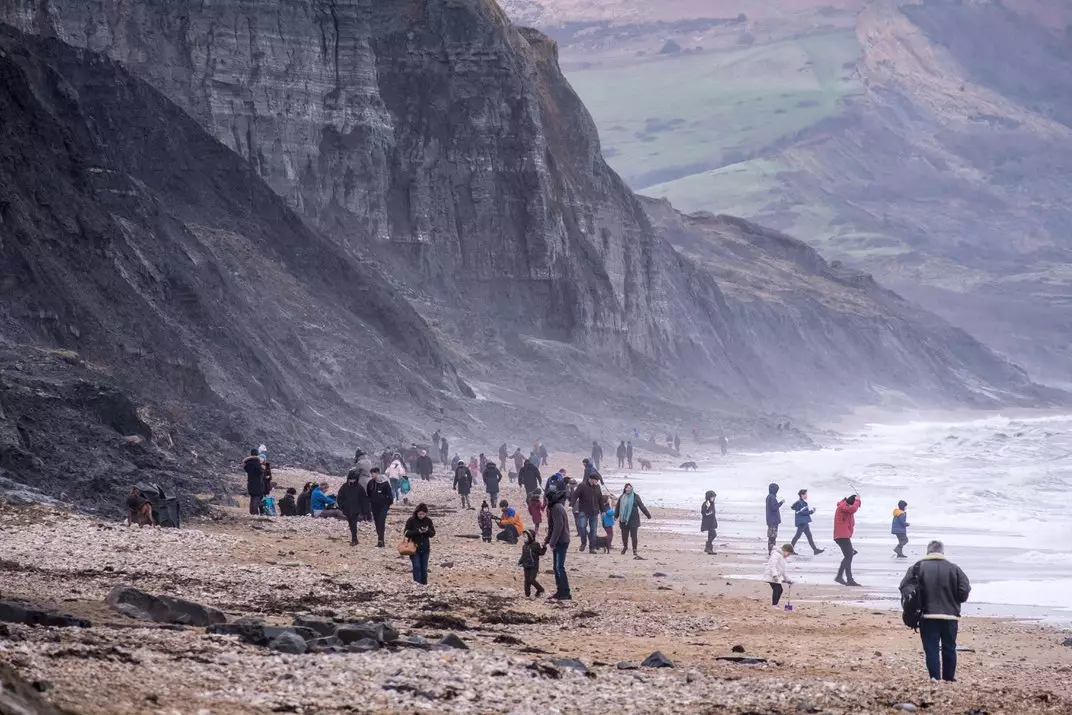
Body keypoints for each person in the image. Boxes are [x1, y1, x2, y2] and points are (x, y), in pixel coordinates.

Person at [899, 541, 971, 682]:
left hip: (927, 615)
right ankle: (949, 678)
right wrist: (955, 600)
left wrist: (914, 605)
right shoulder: (954, 569)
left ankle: (935, 678)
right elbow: (964, 591)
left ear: (928, 552)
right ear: (942, 552)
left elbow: (904, 587)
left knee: (931, 648)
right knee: (949, 647)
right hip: (950, 616)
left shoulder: (917, 567)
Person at [543, 482, 572, 600]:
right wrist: (547, 540)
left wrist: (552, 542)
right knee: (556, 567)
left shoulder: (556, 508)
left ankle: (565, 592)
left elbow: (558, 526)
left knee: (560, 567)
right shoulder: (556, 507)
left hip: (562, 541)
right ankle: (560, 591)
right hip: (559, 540)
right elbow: (552, 527)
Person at [615, 483, 652, 559]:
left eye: (629, 488)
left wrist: (648, 515)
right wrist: (616, 516)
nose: (628, 489)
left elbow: (641, 506)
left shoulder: (636, 497)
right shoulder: (622, 497)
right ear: (625, 489)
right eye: (626, 488)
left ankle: (634, 550)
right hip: (624, 520)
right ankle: (625, 547)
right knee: (624, 536)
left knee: (633, 536)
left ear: (631, 489)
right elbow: (618, 507)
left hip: (634, 519)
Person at [571, 471, 604, 553]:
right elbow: (575, 495)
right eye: (595, 480)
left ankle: (592, 548)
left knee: (593, 530)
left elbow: (600, 499)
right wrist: (571, 505)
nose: (596, 482)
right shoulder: (582, 485)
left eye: (597, 481)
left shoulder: (598, 487)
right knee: (581, 527)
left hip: (594, 512)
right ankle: (583, 542)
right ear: (590, 479)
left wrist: (602, 510)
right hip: (583, 511)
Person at [403, 504, 436, 585]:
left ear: (425, 513)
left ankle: (424, 584)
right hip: (414, 548)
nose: (421, 516)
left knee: (424, 568)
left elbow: (433, 534)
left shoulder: (428, 521)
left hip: (425, 548)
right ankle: (417, 583)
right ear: (416, 513)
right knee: (416, 566)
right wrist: (418, 531)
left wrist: (427, 531)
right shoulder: (411, 520)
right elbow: (406, 533)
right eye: (419, 514)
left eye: (423, 514)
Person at [834, 494, 862, 586]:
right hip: (841, 535)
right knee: (849, 556)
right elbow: (853, 509)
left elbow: (851, 520)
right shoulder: (843, 506)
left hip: (843, 535)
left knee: (848, 555)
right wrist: (857, 500)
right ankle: (848, 579)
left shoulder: (846, 507)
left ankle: (839, 577)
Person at [790, 489, 824, 555]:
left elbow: (801, 512)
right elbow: (801, 512)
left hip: (804, 522)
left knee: (809, 536)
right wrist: (811, 512)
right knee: (797, 536)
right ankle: (790, 550)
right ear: (802, 495)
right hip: (802, 522)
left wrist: (810, 512)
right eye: (805, 494)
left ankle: (815, 550)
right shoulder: (800, 503)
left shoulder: (802, 502)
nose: (806, 495)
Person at [366, 468, 394, 547]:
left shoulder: (385, 483)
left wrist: (387, 505)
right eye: (371, 473)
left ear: (378, 473)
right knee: (377, 522)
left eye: (373, 473)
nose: (372, 475)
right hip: (374, 506)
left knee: (381, 522)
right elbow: (368, 494)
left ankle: (381, 540)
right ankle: (380, 538)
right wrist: (370, 502)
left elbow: (390, 496)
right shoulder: (370, 483)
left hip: (383, 506)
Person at [337, 473, 365, 546]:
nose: (351, 480)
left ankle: (354, 539)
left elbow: (364, 499)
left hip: (356, 509)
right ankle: (355, 538)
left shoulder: (360, 488)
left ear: (356, 479)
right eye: (350, 479)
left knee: (353, 523)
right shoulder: (344, 487)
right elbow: (339, 497)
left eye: (353, 479)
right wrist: (342, 506)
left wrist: (363, 510)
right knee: (351, 524)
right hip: (347, 509)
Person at [518, 529, 546, 598]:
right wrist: (520, 561)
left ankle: (540, 589)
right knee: (527, 580)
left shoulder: (535, 545)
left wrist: (544, 547)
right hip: (526, 565)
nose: (524, 539)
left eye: (526, 537)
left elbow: (541, 553)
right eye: (523, 537)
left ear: (530, 537)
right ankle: (527, 594)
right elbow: (523, 555)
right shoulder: (524, 546)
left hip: (534, 566)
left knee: (532, 580)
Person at [243, 449, 265, 516]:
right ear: (257, 454)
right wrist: (263, 468)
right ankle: (255, 512)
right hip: (257, 483)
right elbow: (259, 471)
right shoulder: (256, 462)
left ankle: (252, 511)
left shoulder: (248, 463)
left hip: (250, 482)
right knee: (257, 497)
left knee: (252, 497)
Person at [765, 483, 784, 555]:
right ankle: (771, 551)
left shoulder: (769, 497)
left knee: (771, 536)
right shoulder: (772, 497)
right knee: (772, 537)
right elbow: (774, 508)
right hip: (773, 520)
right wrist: (781, 503)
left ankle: (771, 551)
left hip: (770, 519)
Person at [700, 490, 718, 554]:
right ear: (709, 497)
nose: (714, 498)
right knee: (713, 534)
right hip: (708, 522)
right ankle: (708, 547)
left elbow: (713, 513)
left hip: (712, 522)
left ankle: (709, 549)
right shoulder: (706, 503)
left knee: (711, 535)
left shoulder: (712, 503)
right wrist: (708, 509)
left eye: (714, 497)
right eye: (712, 497)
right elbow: (704, 513)